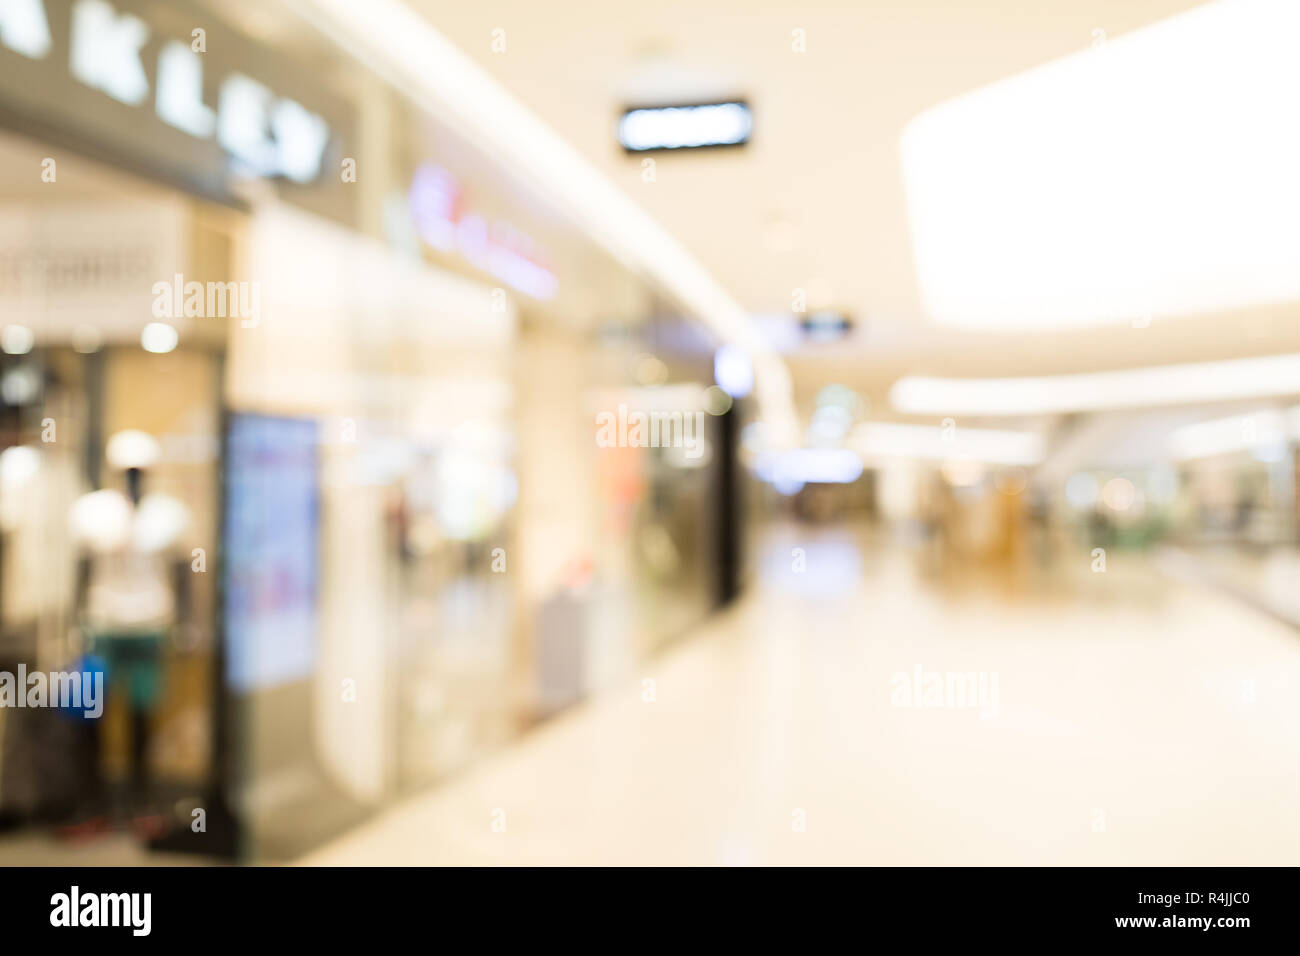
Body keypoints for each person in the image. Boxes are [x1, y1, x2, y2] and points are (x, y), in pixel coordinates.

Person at [69, 430, 190, 817]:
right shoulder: (94, 513)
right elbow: (81, 573)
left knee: (142, 711)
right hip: (102, 626)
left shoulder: (166, 515)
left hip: (149, 626)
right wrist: (74, 625)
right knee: (91, 713)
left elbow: (182, 574)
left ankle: (140, 795)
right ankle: (94, 799)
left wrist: (187, 623)